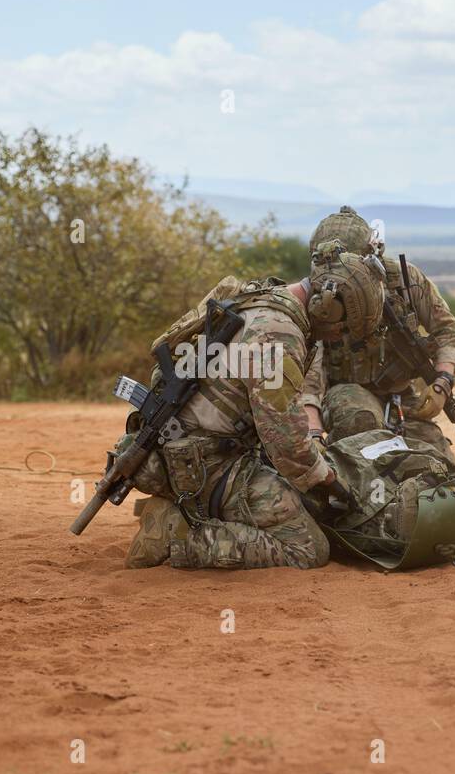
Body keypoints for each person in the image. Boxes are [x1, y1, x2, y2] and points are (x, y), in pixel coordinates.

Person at [124, 243, 385, 569]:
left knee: (298, 497)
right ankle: (176, 534)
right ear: (326, 307)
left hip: (186, 448)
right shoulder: (278, 334)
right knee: (308, 547)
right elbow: (286, 444)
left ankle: (185, 512)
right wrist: (330, 482)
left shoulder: (260, 297)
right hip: (204, 465)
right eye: (343, 327)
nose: (338, 338)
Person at [300, 207, 455, 467]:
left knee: (439, 462)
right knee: (363, 429)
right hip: (345, 393)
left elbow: (445, 329)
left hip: (401, 393)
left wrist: (441, 383)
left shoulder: (405, 280)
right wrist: (312, 432)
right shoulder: (317, 296)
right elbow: (310, 378)